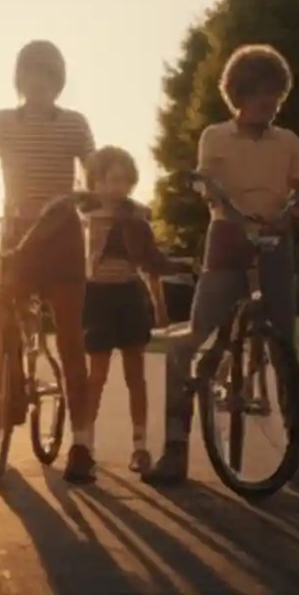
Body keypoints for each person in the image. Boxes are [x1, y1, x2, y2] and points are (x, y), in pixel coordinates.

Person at [143, 44, 299, 487]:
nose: (271, 102)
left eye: (277, 94)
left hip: (273, 243)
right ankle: (174, 449)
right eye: (263, 92)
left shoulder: (288, 142)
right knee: (191, 341)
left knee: (284, 348)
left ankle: (295, 455)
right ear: (240, 94)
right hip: (228, 240)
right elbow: (208, 184)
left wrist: (298, 210)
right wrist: (218, 199)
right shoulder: (215, 137)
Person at [0, 39, 98, 484]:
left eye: (49, 75)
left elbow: (92, 168)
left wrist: (94, 190)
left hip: (61, 234)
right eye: (32, 74)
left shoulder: (74, 124)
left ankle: (82, 443)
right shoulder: (2, 121)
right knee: (5, 327)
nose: (40, 83)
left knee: (73, 340)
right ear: (20, 80)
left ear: (58, 81)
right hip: (18, 234)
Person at [76, 146, 185, 474]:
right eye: (111, 179)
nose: (118, 187)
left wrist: (159, 305)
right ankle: (85, 444)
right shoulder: (85, 213)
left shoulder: (138, 214)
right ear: (97, 180)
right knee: (96, 375)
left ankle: (139, 445)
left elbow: (149, 264)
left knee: (135, 374)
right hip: (96, 295)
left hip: (128, 294)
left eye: (125, 180)